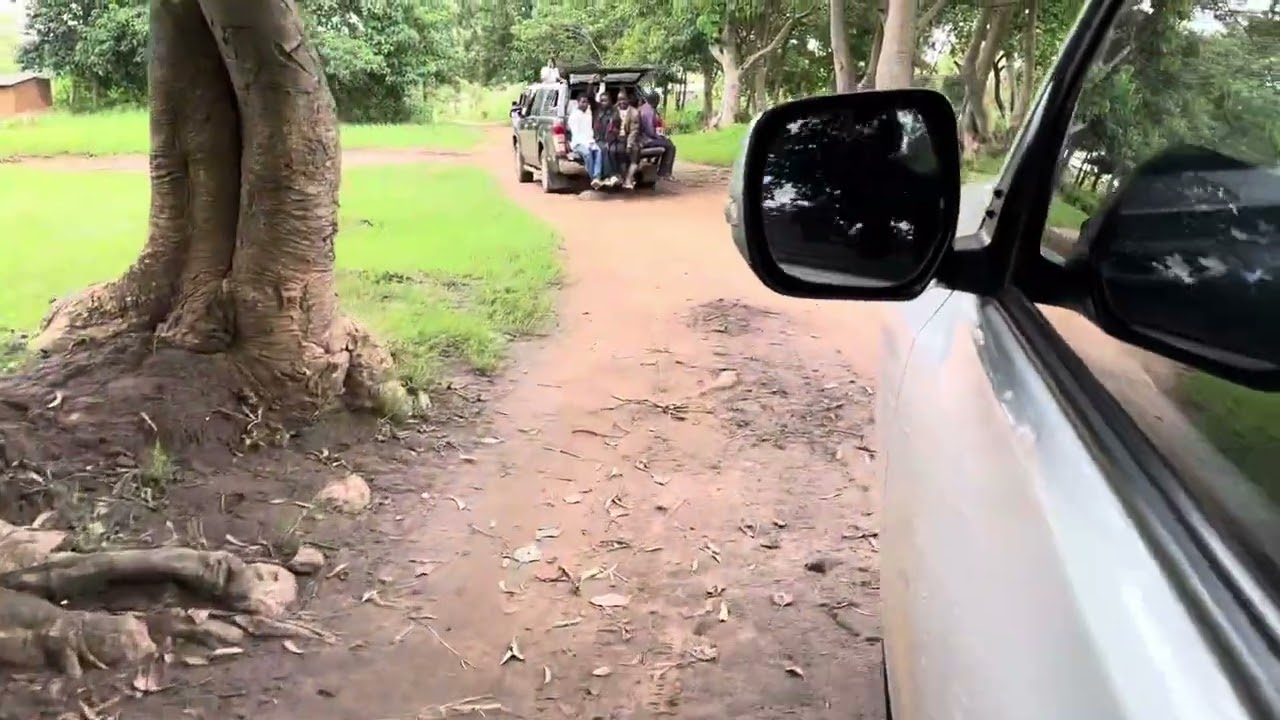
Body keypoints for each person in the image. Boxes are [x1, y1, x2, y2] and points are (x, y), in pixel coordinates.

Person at [567, 95, 604, 188]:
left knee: (598, 151)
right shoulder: (574, 116)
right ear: (578, 103)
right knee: (587, 153)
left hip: (589, 141)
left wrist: (591, 142)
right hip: (578, 143)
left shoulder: (588, 114)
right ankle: (593, 178)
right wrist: (586, 144)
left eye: (586, 102)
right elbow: (576, 134)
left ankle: (597, 177)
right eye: (583, 102)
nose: (585, 104)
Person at [639, 92, 677, 178]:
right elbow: (650, 131)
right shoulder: (649, 112)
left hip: (641, 139)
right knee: (670, 145)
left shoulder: (642, 108)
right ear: (656, 101)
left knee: (665, 142)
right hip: (645, 140)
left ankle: (660, 170)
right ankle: (665, 173)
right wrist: (660, 137)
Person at [593, 91, 623, 187]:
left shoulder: (615, 112)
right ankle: (611, 175)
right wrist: (590, 84)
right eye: (601, 101)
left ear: (610, 101)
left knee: (611, 149)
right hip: (598, 139)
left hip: (611, 139)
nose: (603, 103)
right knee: (604, 149)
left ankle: (612, 176)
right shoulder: (597, 111)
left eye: (605, 100)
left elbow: (615, 129)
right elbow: (590, 97)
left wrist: (609, 141)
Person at [616, 90, 642, 189]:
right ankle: (623, 178)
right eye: (620, 99)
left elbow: (634, 131)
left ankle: (628, 179)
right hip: (617, 138)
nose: (622, 102)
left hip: (629, 138)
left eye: (624, 99)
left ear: (628, 100)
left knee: (634, 152)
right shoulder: (614, 110)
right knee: (619, 153)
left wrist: (629, 144)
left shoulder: (634, 113)